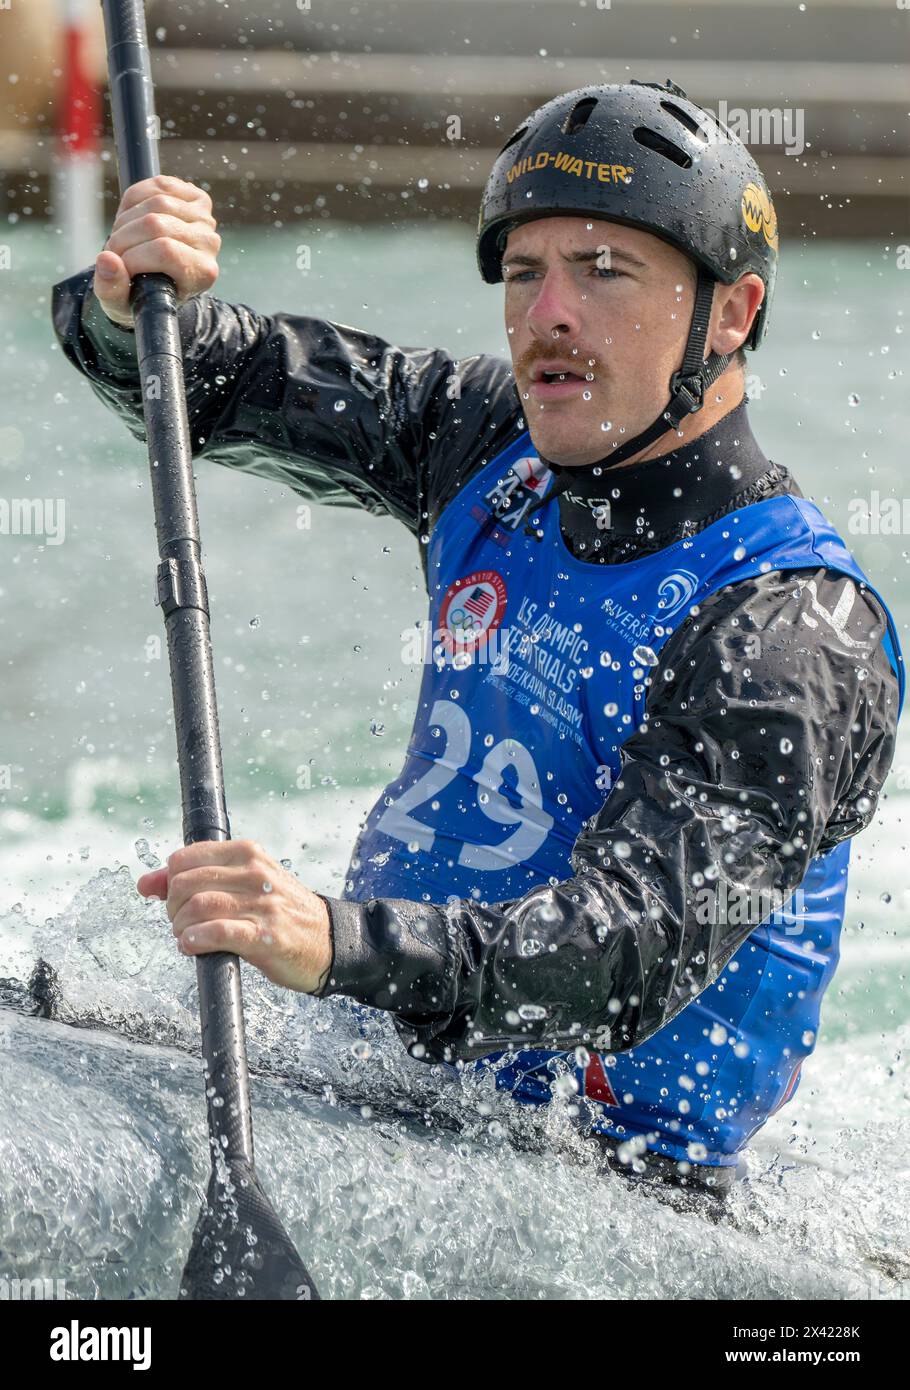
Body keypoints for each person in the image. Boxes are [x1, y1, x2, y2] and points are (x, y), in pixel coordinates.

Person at [52, 80, 903, 1205]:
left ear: (730, 313)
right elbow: (217, 377)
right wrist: (133, 306)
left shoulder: (791, 630)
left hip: (614, 1181)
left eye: (604, 271)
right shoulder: (491, 444)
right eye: (521, 273)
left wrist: (336, 941)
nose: (548, 312)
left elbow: (625, 952)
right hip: (379, 1071)